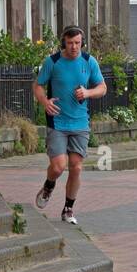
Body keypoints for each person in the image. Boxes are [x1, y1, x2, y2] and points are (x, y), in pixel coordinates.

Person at [34, 26, 108, 225]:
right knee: (58, 167)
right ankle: (49, 185)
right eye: (70, 43)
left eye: (77, 43)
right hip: (57, 121)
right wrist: (44, 102)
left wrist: (87, 92)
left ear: (82, 43)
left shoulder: (89, 61)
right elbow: (38, 85)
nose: (74, 47)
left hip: (80, 122)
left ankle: (68, 209)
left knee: (76, 168)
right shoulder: (53, 62)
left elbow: (102, 88)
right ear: (63, 43)